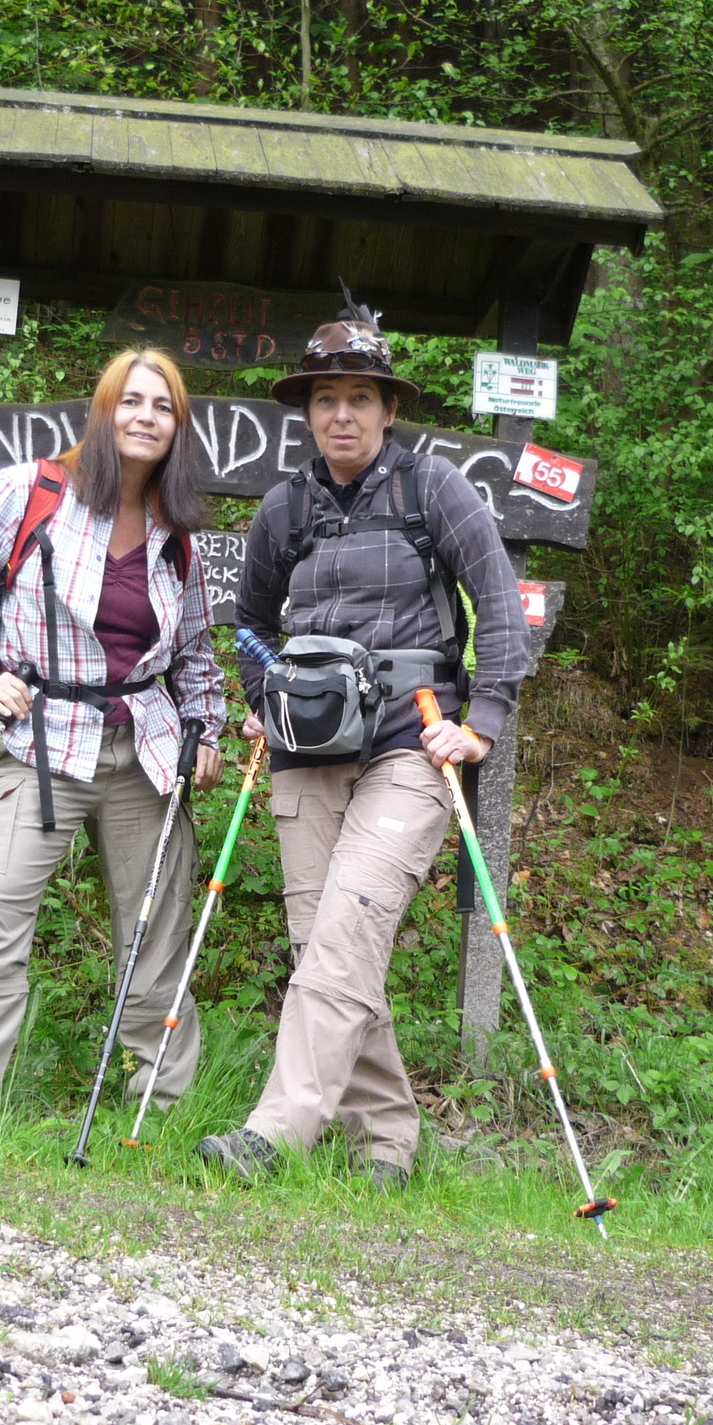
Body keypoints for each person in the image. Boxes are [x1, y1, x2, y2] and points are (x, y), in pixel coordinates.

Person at [197, 294, 528, 1188]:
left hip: (408, 745)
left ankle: (274, 1135)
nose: (341, 414)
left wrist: (483, 721)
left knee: (346, 928)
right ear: (308, 413)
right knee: (325, 946)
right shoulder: (284, 509)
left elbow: (499, 603)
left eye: (359, 398)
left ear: (387, 409)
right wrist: (265, 694)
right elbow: (249, 624)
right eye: (325, 399)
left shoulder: (433, 490)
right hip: (306, 751)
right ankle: (386, 1144)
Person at [0, 348, 227, 1142]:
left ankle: (160, 1103)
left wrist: (206, 728)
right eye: (133, 401)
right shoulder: (29, 493)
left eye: (164, 407)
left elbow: (194, 652)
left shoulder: (176, 534)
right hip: (40, 740)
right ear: (104, 410)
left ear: (178, 427)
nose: (146, 417)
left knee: (155, 932)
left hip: (143, 750)